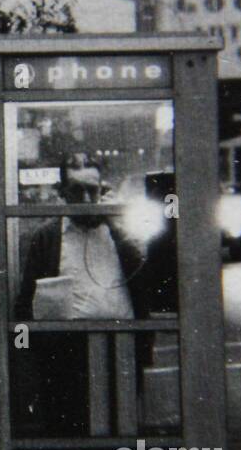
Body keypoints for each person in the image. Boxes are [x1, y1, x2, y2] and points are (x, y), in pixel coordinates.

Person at [14, 161, 151, 434]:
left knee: (119, 422)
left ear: (103, 191)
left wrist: (115, 224)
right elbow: (27, 298)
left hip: (120, 343)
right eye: (77, 191)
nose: (86, 200)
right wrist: (30, 353)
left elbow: (144, 277)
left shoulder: (118, 232)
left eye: (93, 191)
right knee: (68, 423)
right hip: (66, 350)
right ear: (63, 194)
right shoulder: (48, 237)